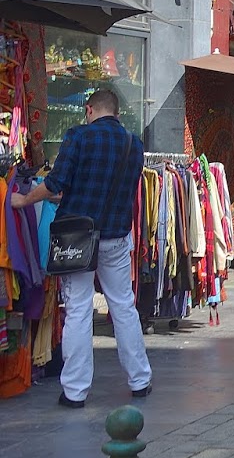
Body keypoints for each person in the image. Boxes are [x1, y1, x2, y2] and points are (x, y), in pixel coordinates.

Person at [10, 89, 150, 408]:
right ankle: (140, 379)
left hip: (77, 236)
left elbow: (56, 182)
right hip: (115, 235)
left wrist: (25, 199)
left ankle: (75, 391)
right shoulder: (134, 144)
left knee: (79, 310)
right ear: (116, 113)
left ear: (89, 110)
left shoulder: (79, 136)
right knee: (123, 306)